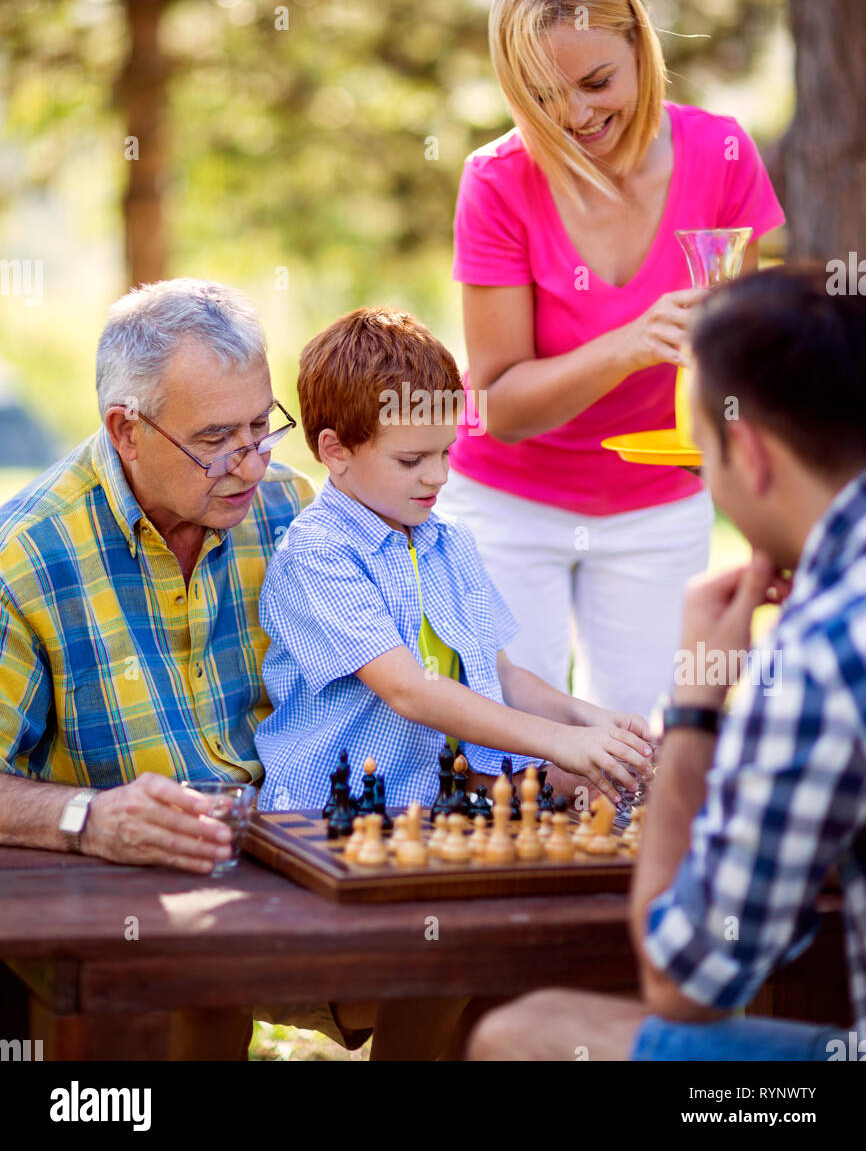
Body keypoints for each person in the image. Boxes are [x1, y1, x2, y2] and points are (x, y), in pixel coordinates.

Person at [466, 265, 866, 1062]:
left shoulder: (821, 656)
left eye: (700, 455)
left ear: (747, 455)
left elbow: (684, 978)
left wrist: (692, 711)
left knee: (525, 1037)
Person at [254, 304, 655, 1059]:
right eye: (412, 461)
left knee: (513, 964)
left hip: (448, 808)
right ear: (334, 451)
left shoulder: (447, 540)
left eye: (445, 452)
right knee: (442, 967)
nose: (438, 476)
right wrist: (561, 744)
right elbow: (408, 690)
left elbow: (500, 672)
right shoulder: (320, 554)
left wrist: (595, 718)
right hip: (341, 821)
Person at [436, 0, 785, 717]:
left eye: (597, 82)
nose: (578, 116)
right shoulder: (497, 182)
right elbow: (498, 404)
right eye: (546, 96)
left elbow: (739, 375)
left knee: (641, 751)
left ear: (637, 39)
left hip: (658, 501)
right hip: (507, 503)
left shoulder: (721, 154)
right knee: (516, 756)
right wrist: (626, 348)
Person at [0, 277, 313, 1058]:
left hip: (289, 867)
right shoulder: (25, 557)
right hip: (114, 903)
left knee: (491, 953)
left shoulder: (291, 509)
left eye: (260, 426)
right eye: (214, 440)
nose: (249, 464)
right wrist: (88, 820)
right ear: (126, 429)